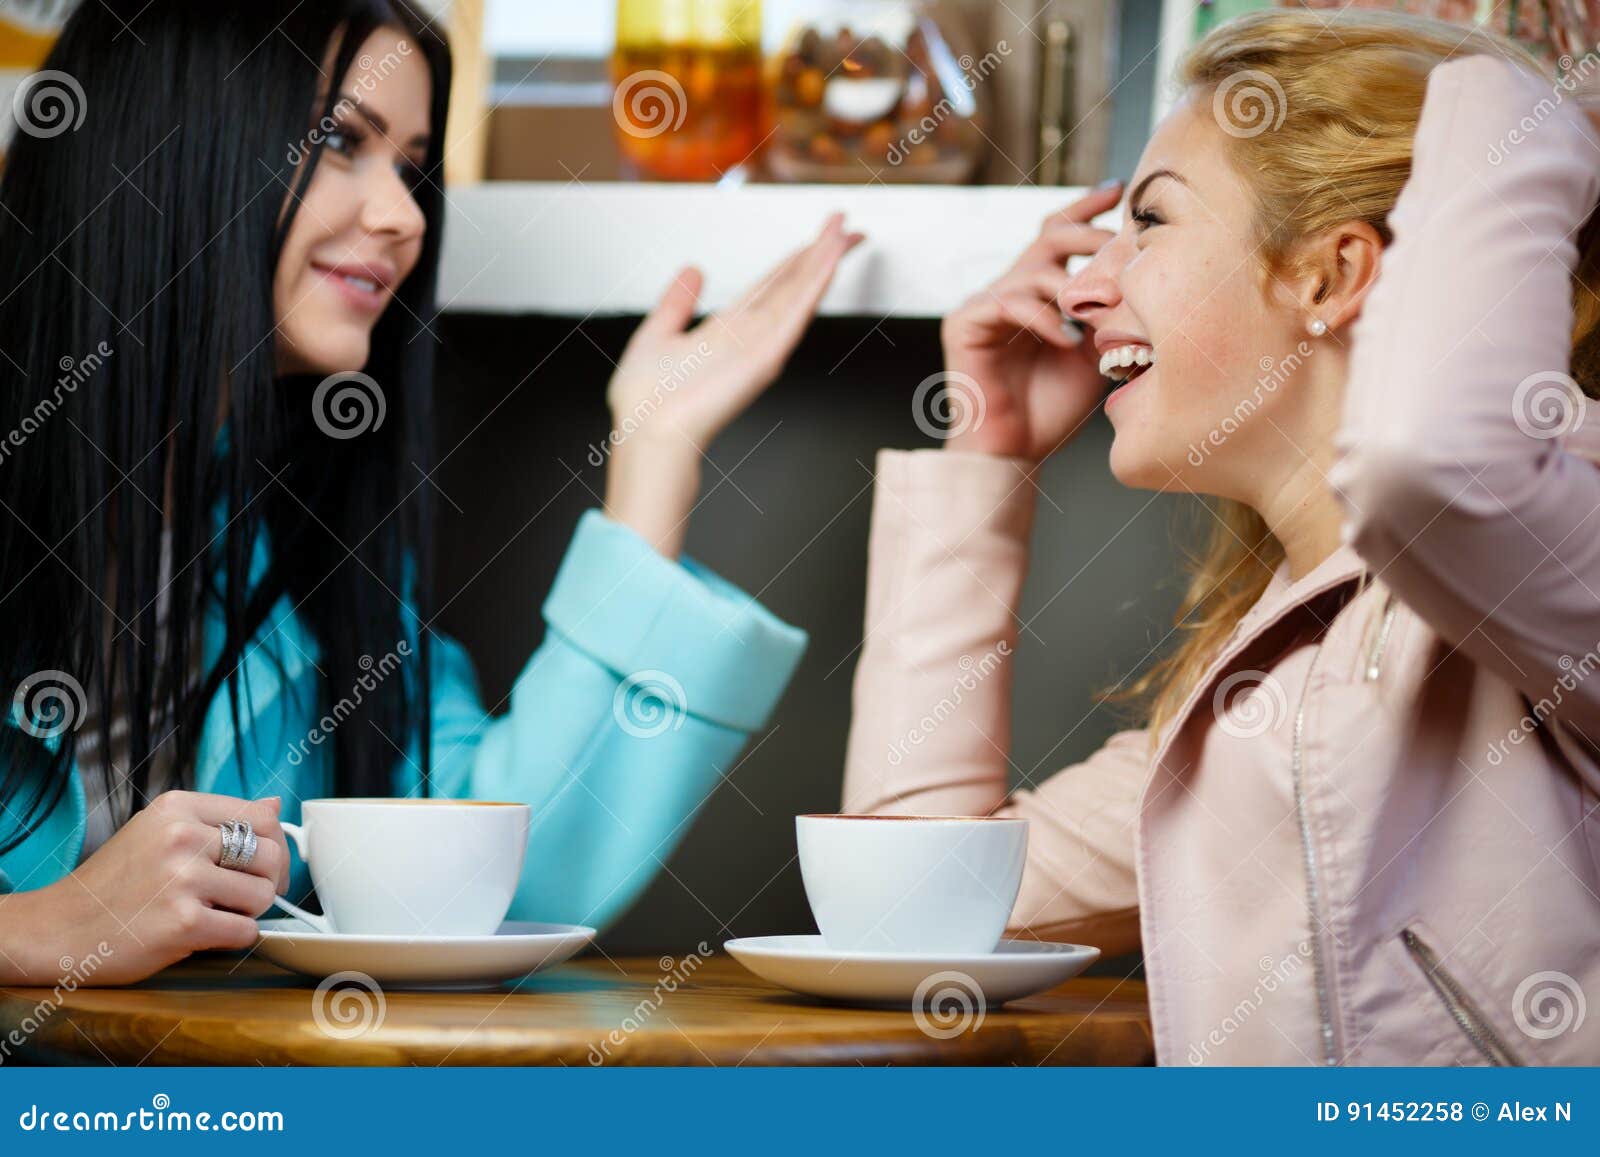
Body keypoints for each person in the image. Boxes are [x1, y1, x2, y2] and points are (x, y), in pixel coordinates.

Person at [0, 0, 862, 986]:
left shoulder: (296, 552)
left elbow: (495, 885)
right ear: (162, 147)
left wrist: (655, 447)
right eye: (340, 141)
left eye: (411, 165)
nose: (404, 215)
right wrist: (35, 931)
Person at [842, 7, 1600, 1064]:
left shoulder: (1569, 550)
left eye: (1148, 222)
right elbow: (902, 910)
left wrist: (1521, 101)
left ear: (1331, 277)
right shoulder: (1248, 697)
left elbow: (1433, 469)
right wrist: (988, 459)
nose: (1080, 286)